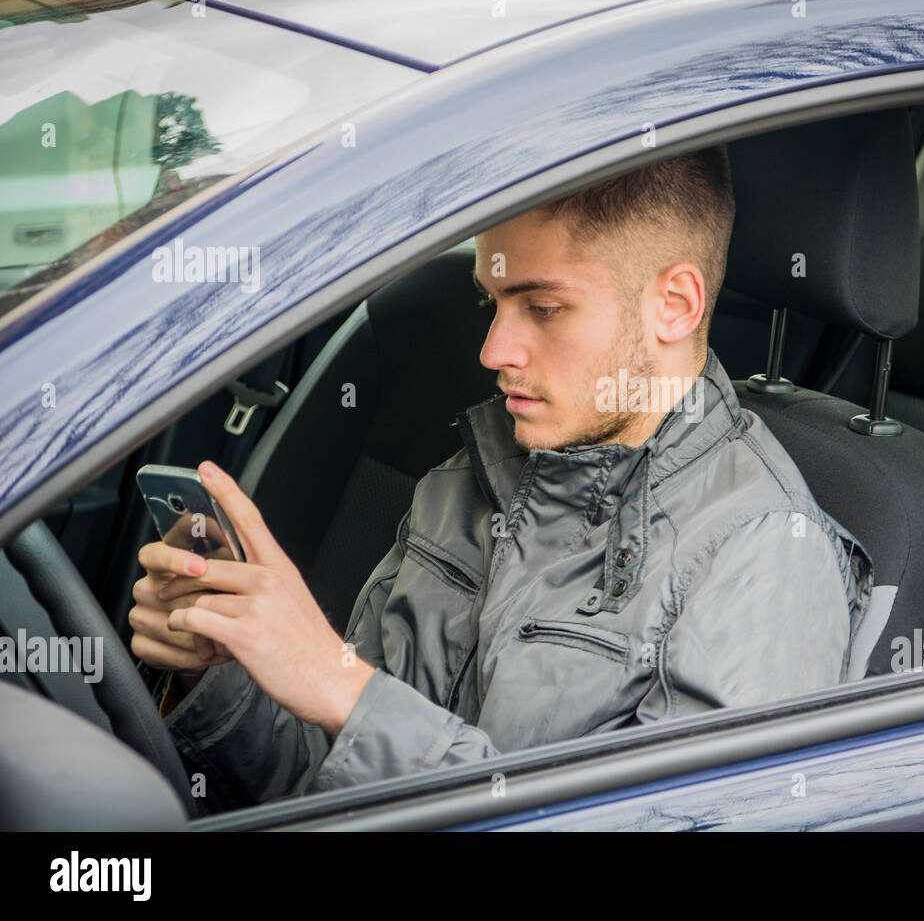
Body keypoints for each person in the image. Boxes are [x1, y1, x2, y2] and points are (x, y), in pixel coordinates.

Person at [129, 147, 876, 812]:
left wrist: (342, 684)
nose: (492, 349)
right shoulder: (466, 480)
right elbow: (333, 781)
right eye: (494, 304)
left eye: (543, 307)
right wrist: (223, 670)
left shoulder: (765, 554)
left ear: (674, 305)